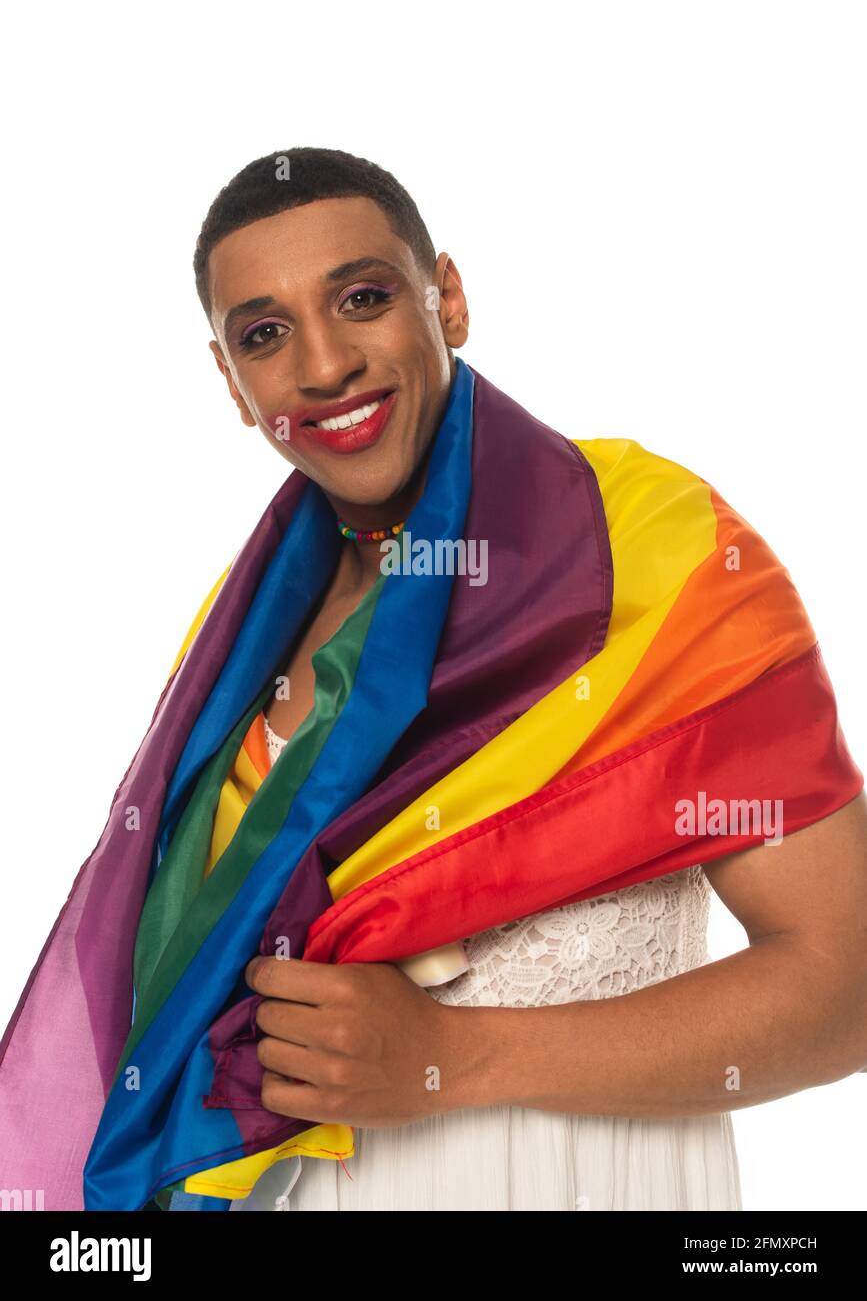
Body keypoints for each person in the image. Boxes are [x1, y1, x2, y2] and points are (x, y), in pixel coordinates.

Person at [2, 147, 864, 1213]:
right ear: (232, 383)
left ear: (446, 298)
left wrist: (453, 1056)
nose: (323, 367)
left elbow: (848, 984)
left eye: (362, 298)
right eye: (265, 334)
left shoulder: (647, 549)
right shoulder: (228, 651)